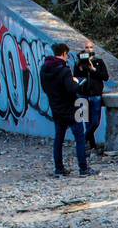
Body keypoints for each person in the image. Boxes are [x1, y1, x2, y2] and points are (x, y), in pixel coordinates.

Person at [40, 42, 98, 178]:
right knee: (80, 137)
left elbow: (45, 88)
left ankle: (59, 168)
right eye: (67, 55)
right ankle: (83, 168)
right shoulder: (64, 70)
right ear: (64, 53)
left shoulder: (44, 69)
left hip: (56, 108)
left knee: (58, 139)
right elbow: (71, 89)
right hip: (70, 109)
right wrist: (76, 82)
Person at [74, 41, 109, 154]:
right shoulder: (78, 63)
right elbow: (76, 79)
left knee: (95, 122)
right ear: (83, 49)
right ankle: (92, 145)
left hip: (95, 95)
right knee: (86, 122)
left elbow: (105, 77)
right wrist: (80, 67)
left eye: (91, 47)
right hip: (82, 95)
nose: (89, 49)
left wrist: (93, 69)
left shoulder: (99, 62)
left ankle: (83, 140)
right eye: (86, 47)